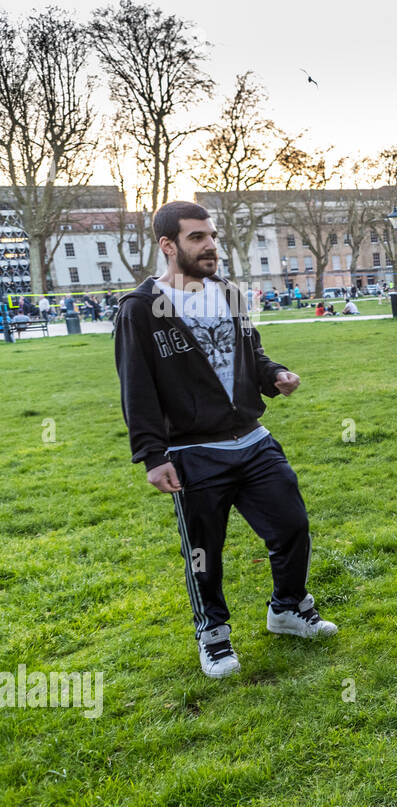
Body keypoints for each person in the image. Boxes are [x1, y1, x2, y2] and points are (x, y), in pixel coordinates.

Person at [114, 200, 337, 680]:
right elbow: (137, 387)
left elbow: (251, 356)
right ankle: (213, 635)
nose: (210, 245)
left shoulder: (230, 294)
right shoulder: (140, 310)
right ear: (168, 245)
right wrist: (153, 456)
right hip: (193, 451)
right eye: (197, 237)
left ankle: (288, 608)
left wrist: (275, 374)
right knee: (203, 553)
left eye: (211, 235)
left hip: (252, 440)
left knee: (292, 526)